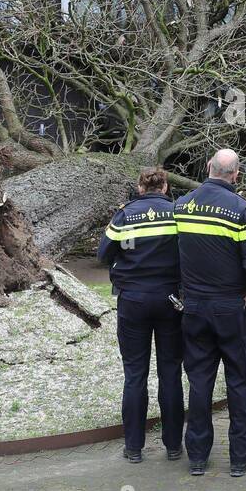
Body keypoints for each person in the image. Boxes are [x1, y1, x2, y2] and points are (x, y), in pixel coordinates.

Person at [174, 149, 246, 477]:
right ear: (236, 175)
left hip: (194, 309)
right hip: (233, 309)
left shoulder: (182, 206)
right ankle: (241, 457)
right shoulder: (243, 210)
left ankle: (198, 456)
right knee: (241, 383)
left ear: (207, 167)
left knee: (199, 382)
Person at [97, 167, 184, 464]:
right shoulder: (176, 214)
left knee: (135, 375)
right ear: (165, 187)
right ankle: (173, 446)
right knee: (170, 373)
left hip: (133, 301)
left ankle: (134, 447)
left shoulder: (124, 215)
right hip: (170, 301)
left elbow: (103, 254)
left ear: (139, 187)